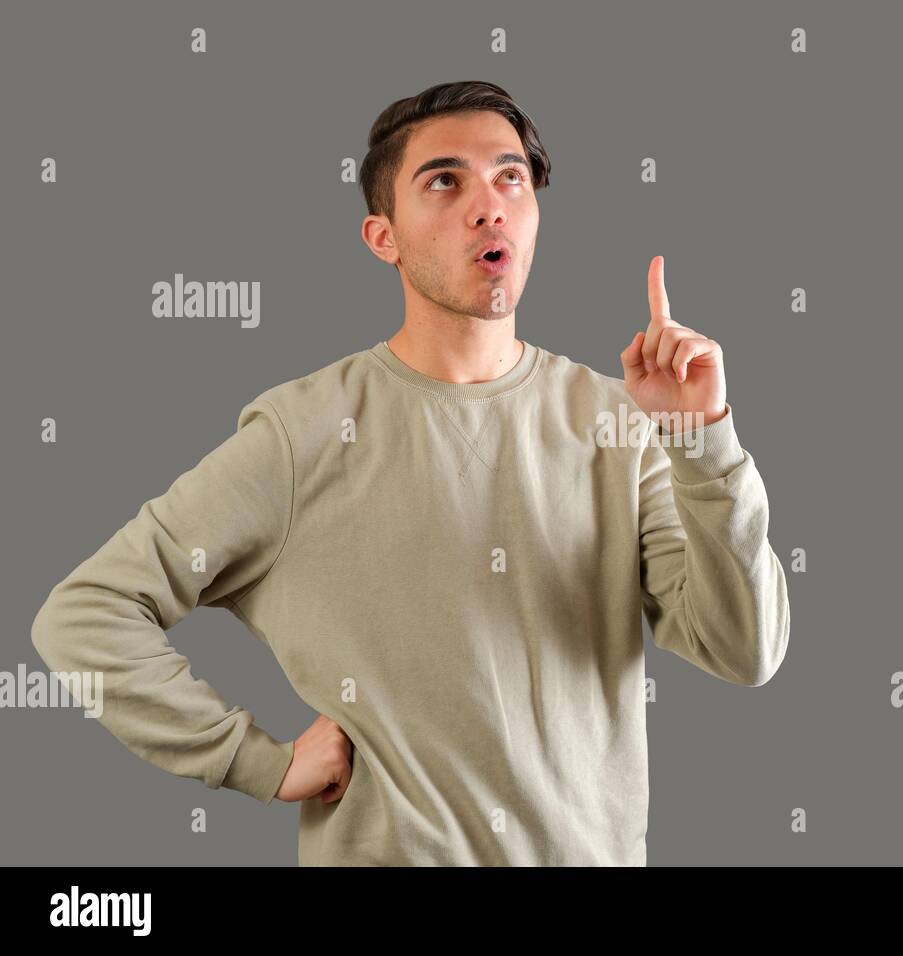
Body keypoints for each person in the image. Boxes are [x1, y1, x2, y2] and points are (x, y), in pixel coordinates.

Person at [30, 80, 790, 866]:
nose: (488, 205)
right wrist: (255, 760)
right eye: (444, 181)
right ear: (382, 237)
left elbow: (746, 649)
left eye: (510, 178)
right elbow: (85, 614)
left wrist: (702, 439)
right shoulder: (304, 432)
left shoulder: (624, 424)